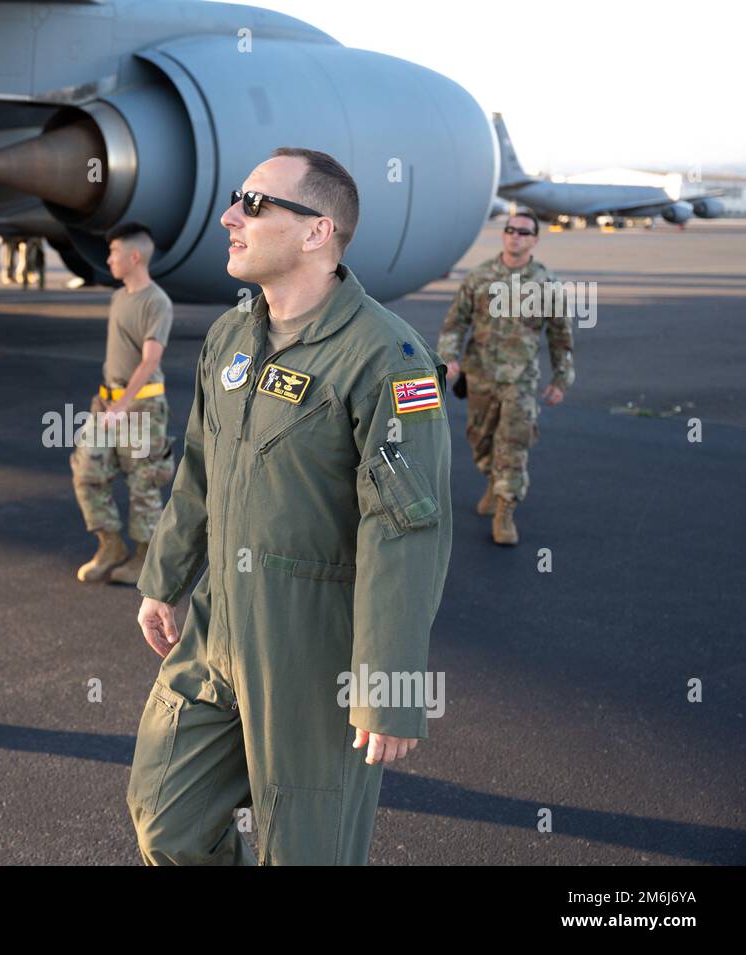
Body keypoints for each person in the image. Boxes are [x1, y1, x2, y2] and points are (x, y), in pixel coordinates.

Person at [127, 149, 453, 865]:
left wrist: (387, 678)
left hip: (314, 646)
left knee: (305, 848)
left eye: (254, 202)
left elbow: (405, 525)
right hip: (217, 626)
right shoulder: (229, 337)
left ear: (317, 232)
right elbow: (201, 466)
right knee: (164, 818)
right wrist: (165, 577)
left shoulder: (386, 356)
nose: (229, 216)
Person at [437, 211, 574, 545]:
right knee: (480, 440)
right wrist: (449, 358)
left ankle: (505, 510)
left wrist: (561, 378)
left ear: (535, 240)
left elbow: (560, 336)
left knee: (513, 444)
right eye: (510, 230)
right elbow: (455, 323)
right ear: (504, 235)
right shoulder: (479, 277)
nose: (516, 236)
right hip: (479, 375)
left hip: (521, 380)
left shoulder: (547, 283)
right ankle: (492, 480)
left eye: (524, 233)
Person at [70, 222, 175, 584]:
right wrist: (109, 405)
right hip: (108, 402)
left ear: (134, 257)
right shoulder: (119, 297)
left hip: (141, 408)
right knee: (87, 471)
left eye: (114, 252)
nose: (109, 258)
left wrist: (122, 406)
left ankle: (145, 560)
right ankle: (110, 545)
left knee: (143, 482)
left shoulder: (156, 302)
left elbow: (150, 360)